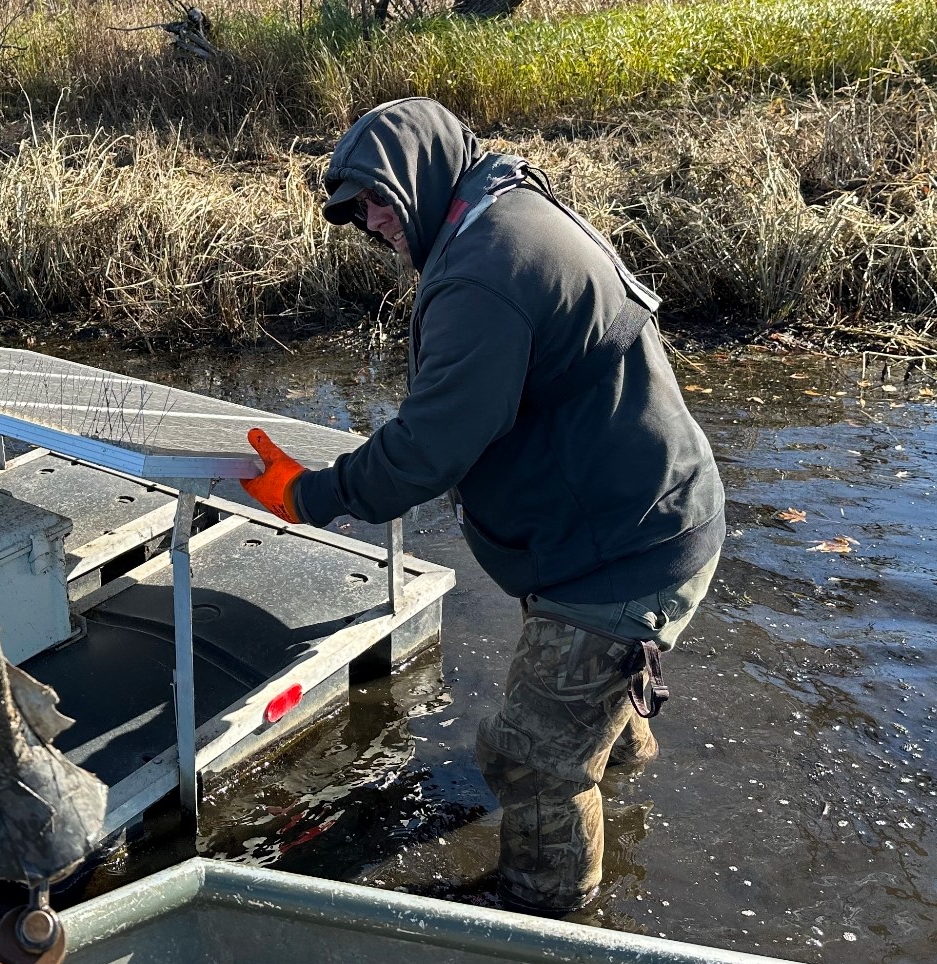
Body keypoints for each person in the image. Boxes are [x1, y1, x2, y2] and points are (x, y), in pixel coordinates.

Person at [239, 97, 724, 917]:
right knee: (587, 709)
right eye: (358, 212)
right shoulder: (506, 209)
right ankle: (624, 782)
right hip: (644, 517)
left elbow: (429, 448)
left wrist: (307, 493)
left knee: (530, 760)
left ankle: (550, 921)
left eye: (380, 201)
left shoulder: (484, 270)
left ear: (420, 177)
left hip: (619, 555)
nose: (374, 224)